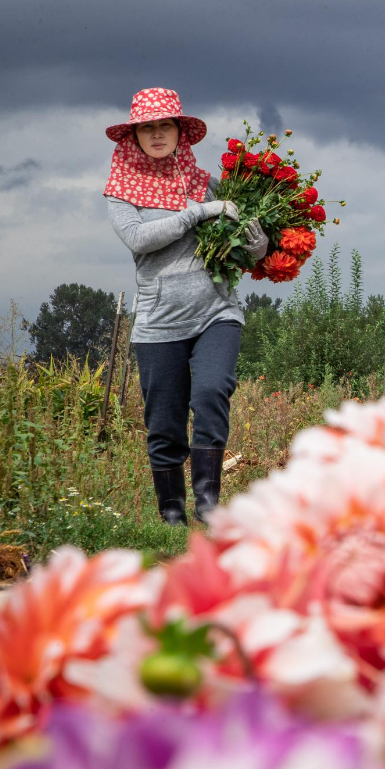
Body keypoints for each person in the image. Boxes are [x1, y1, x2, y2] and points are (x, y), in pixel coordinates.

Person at [104, 87, 268, 526]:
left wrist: (257, 245)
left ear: (181, 131)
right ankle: (172, 510)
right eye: (147, 127)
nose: (157, 134)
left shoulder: (206, 183)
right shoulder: (120, 192)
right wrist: (198, 213)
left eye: (165, 125)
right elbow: (140, 239)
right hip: (159, 321)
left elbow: (239, 249)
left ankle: (208, 502)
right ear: (133, 136)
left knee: (212, 391)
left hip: (216, 310)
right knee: (165, 419)